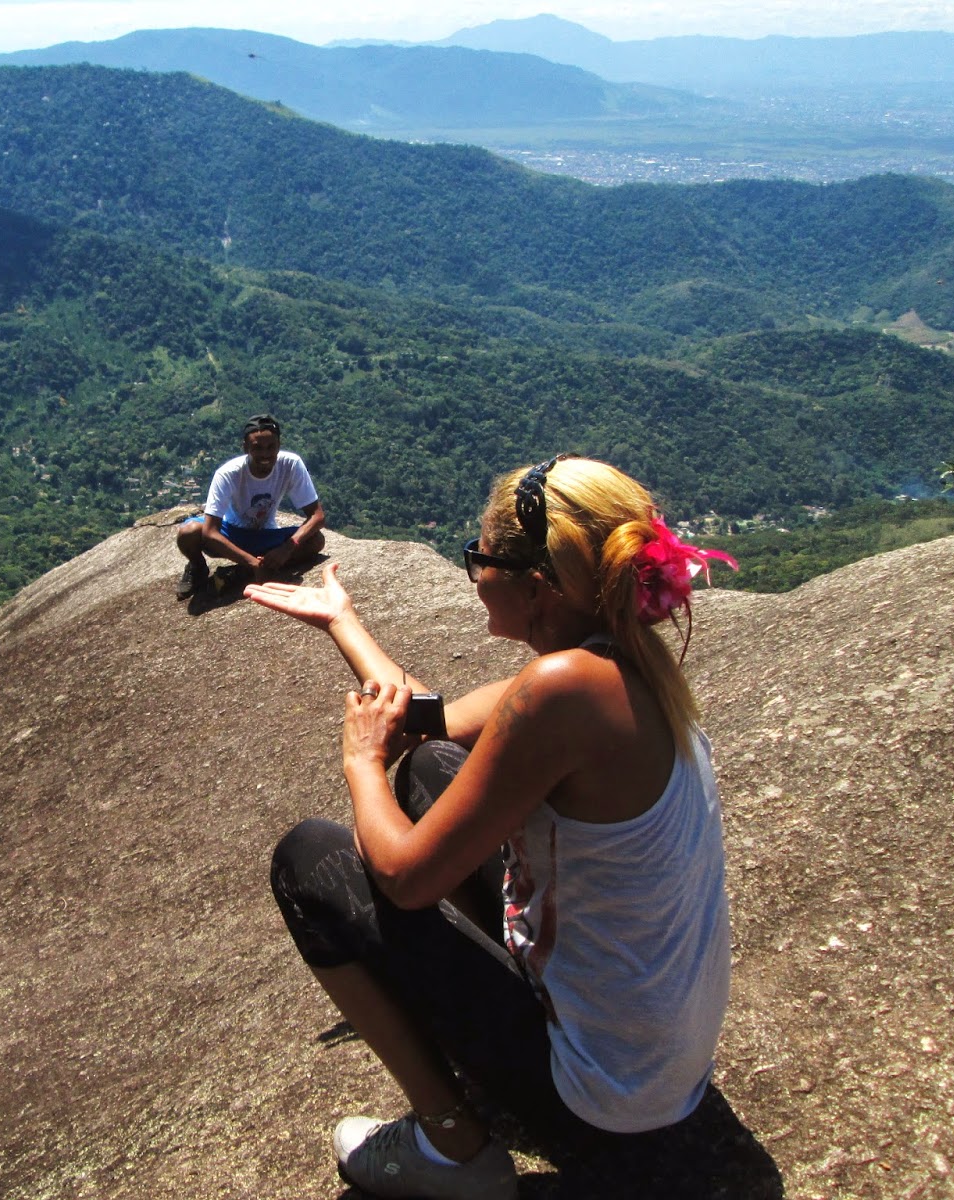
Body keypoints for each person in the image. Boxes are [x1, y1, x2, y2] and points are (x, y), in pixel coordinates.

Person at [245, 455, 736, 1199]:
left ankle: (453, 1145)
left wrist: (358, 764)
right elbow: (428, 723)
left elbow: (407, 879)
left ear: (535, 586)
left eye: (479, 559)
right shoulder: (611, 663)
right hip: (658, 1076)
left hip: (605, 1106)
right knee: (428, 769)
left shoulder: (557, 690)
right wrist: (341, 621)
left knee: (308, 860)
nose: (472, 573)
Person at [175, 414, 325, 600]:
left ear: (279, 445)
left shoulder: (291, 464)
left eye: (271, 447)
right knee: (188, 533)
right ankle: (198, 567)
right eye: (257, 448)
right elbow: (210, 533)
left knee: (316, 540)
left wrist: (287, 547)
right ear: (245, 447)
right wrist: (252, 562)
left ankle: (240, 573)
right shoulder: (228, 473)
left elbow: (317, 516)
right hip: (230, 534)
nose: (265, 454)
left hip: (265, 536)